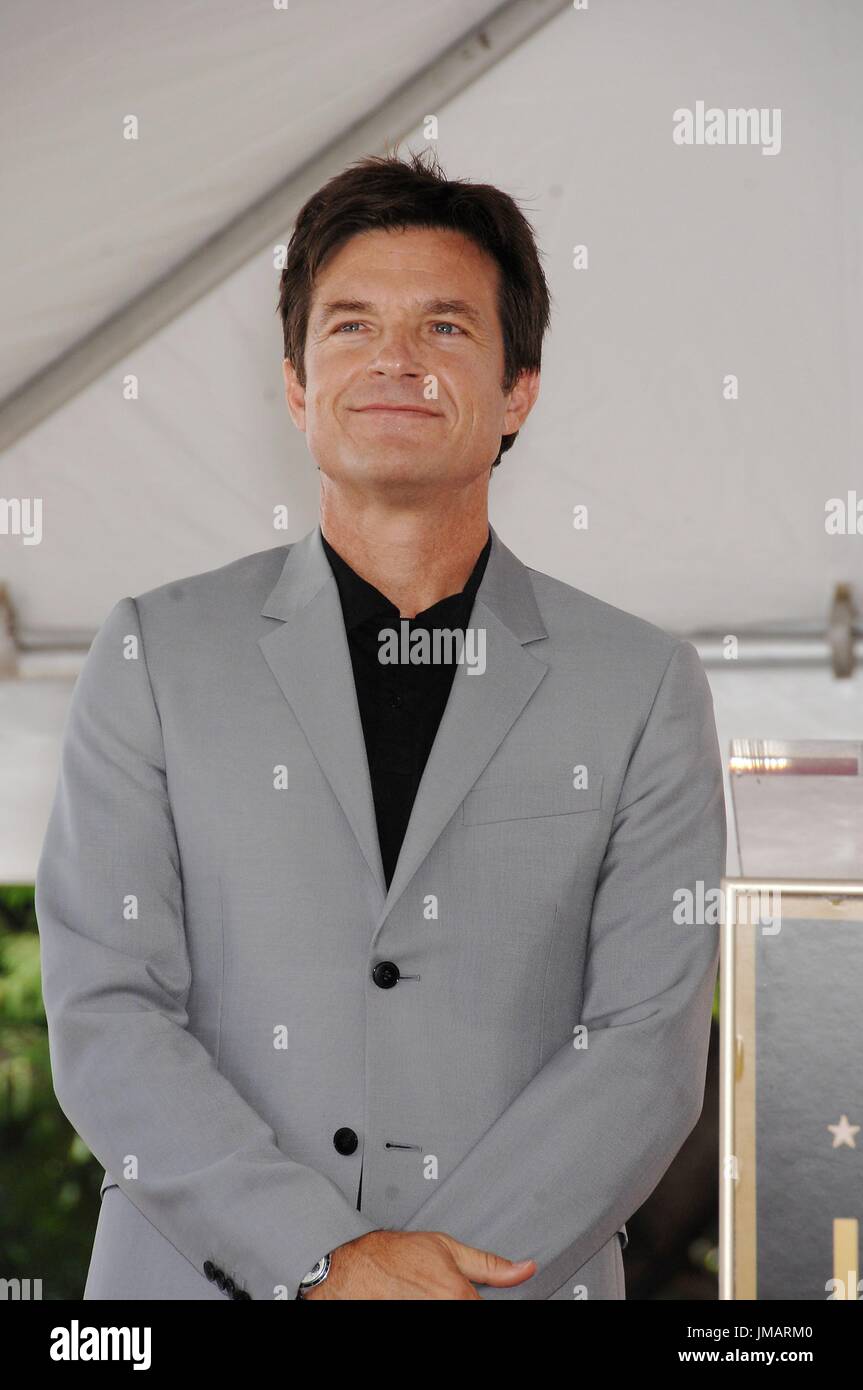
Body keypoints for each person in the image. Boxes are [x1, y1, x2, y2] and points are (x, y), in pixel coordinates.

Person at [35, 149, 726, 1300]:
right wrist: (324, 1259)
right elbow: (106, 1010)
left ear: (517, 389)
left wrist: (431, 1285)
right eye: (351, 326)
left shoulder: (642, 683)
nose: (395, 359)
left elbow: (646, 1045)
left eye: (446, 327)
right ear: (299, 386)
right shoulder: (155, 653)